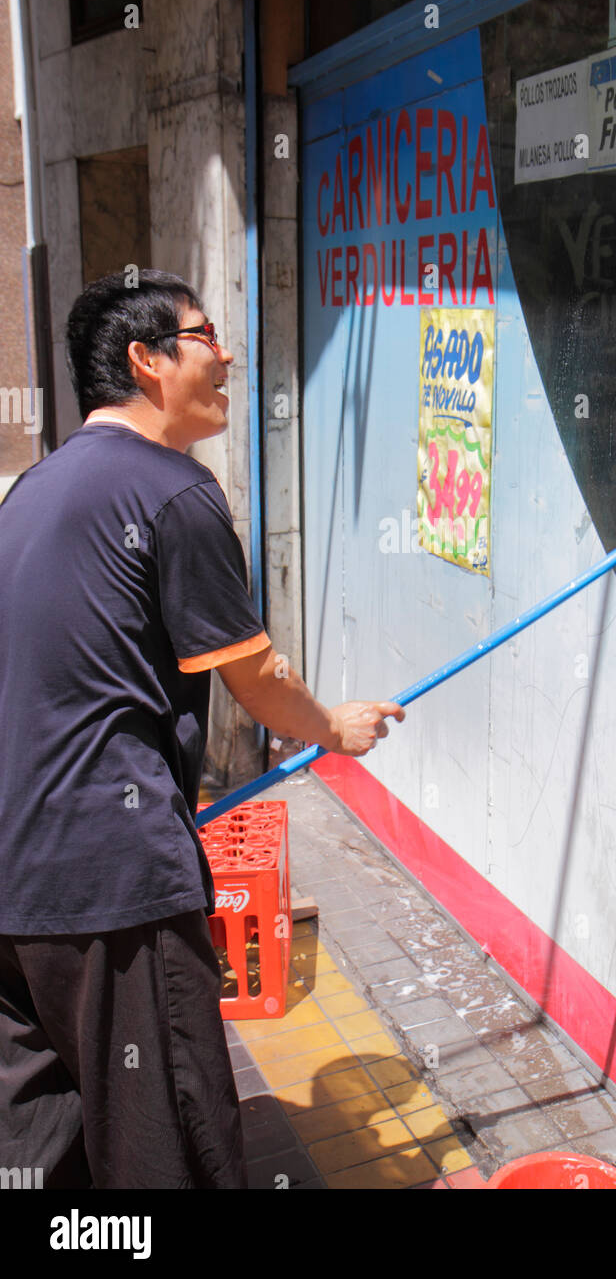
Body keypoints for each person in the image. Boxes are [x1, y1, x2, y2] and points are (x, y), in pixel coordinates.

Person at [0, 269, 404, 1189]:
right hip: (111, 888)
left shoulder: (33, 489)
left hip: (15, 883)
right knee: (164, 1141)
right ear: (145, 362)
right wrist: (333, 730)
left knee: (46, 1141)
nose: (226, 354)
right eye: (205, 334)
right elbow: (255, 673)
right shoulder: (171, 491)